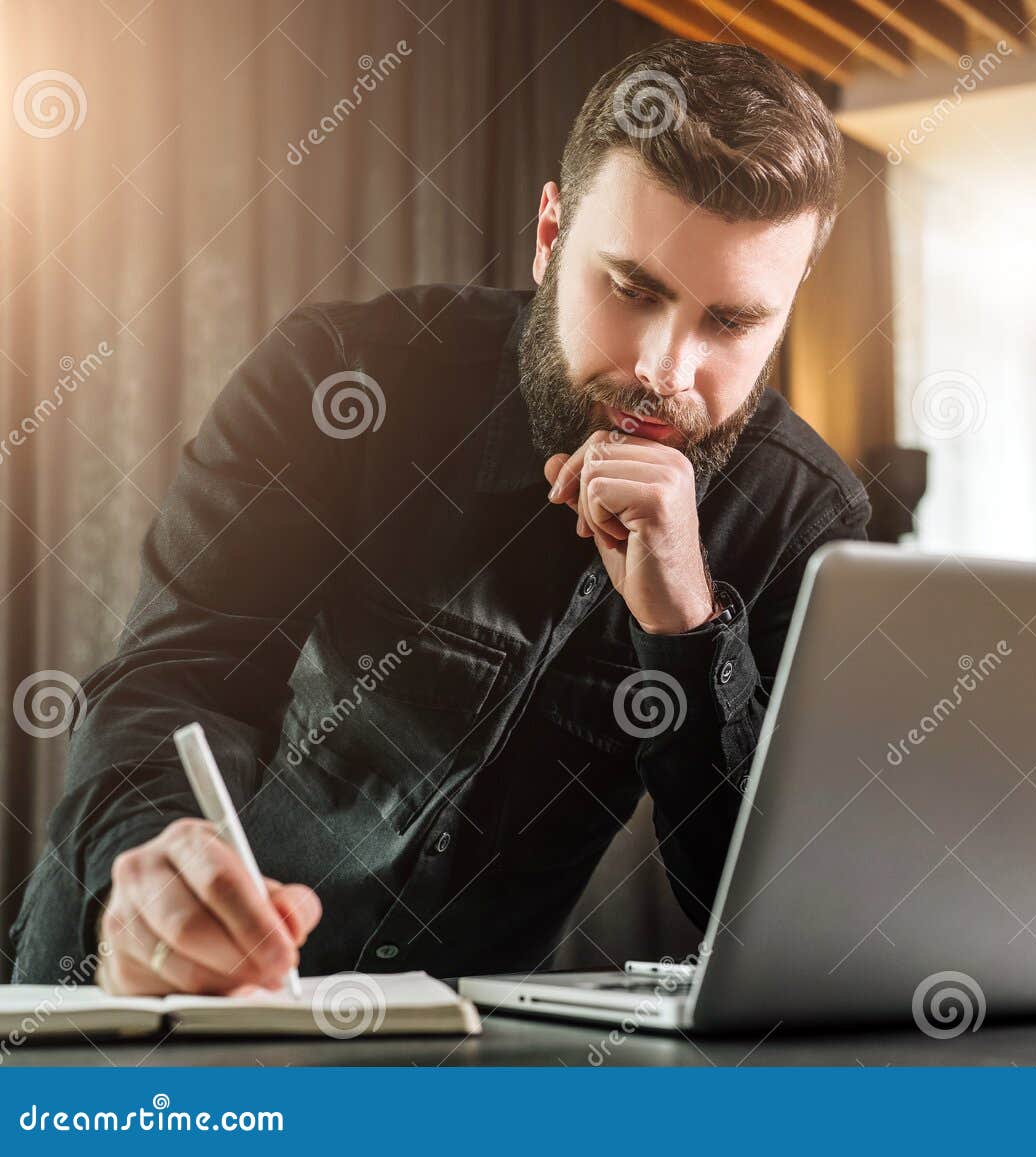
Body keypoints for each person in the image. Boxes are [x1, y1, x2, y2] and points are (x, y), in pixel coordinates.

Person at [10, 38, 867, 994]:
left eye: (733, 322)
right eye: (633, 290)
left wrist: (687, 632)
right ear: (550, 235)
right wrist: (152, 859)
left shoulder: (801, 516)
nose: (667, 371)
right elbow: (176, 676)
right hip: (133, 979)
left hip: (448, 1045)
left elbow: (770, 913)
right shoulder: (339, 379)